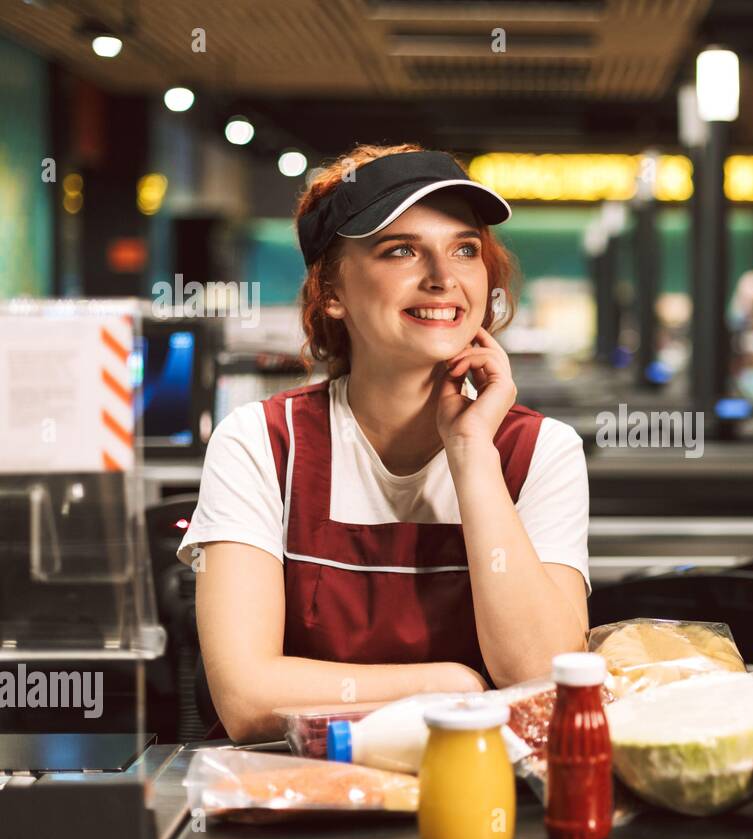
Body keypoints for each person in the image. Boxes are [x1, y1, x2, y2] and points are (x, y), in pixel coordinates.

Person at [177, 145, 590, 742]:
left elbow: (543, 683)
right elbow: (245, 700)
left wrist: (472, 452)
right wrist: (454, 687)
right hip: (292, 806)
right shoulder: (262, 443)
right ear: (331, 293)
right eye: (401, 250)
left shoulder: (539, 451)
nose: (443, 277)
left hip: (481, 800)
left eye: (465, 249)